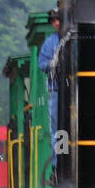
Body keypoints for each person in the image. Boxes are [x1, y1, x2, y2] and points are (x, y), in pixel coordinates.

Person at [39, 9, 61, 140]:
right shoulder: (50, 42)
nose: (57, 23)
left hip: (77, 88)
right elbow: (42, 63)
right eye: (53, 20)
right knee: (57, 127)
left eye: (59, 19)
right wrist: (52, 64)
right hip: (56, 88)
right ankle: (58, 159)